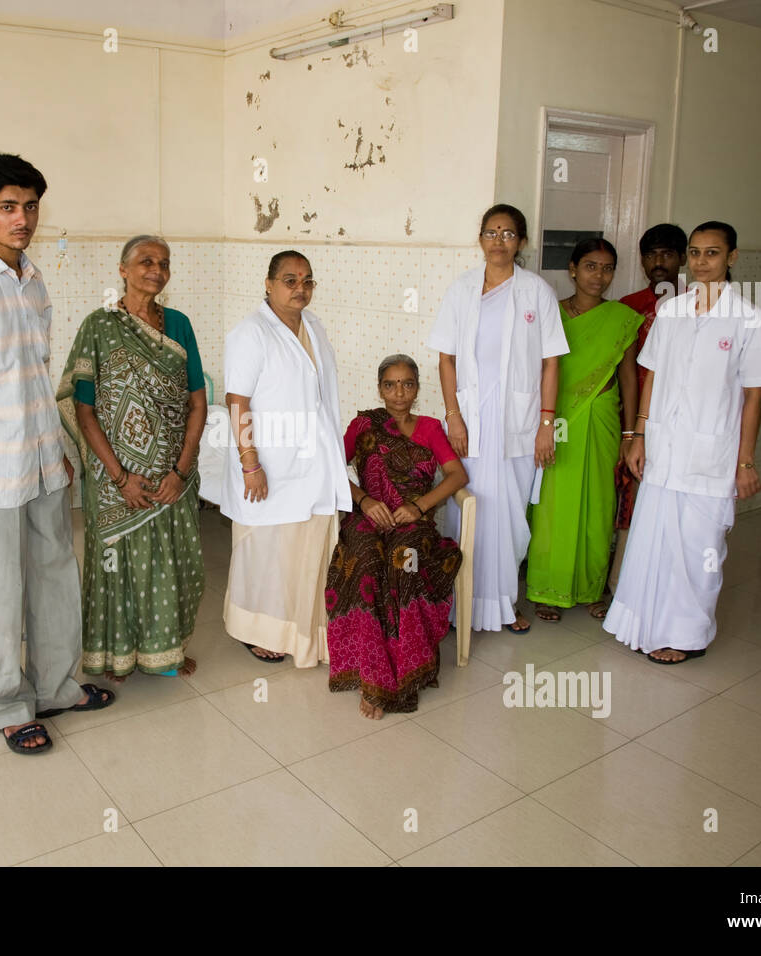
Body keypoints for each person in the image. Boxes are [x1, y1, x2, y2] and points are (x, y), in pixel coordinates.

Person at [0, 152, 114, 755]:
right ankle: (9, 704)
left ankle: (57, 687)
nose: (22, 219)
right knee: (1, 595)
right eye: (8, 207)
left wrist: (58, 450)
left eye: (30, 207)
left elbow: (37, 381)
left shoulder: (34, 283)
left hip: (43, 465)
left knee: (57, 578)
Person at [604, 221, 761, 663]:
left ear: (731, 257)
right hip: (663, 449)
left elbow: (754, 397)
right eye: (696, 252)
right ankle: (643, 624)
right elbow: (652, 377)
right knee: (654, 541)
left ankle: (687, 636)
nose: (702, 262)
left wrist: (745, 461)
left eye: (712, 253)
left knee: (700, 548)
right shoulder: (671, 312)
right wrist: (638, 435)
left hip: (711, 455)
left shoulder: (750, 321)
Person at [57, 236, 207, 681]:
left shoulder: (179, 324)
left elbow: (197, 402)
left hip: (173, 474)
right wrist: (121, 477)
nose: (156, 270)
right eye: (146, 261)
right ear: (123, 270)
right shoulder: (98, 326)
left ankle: (166, 649)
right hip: (116, 477)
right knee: (117, 566)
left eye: (164, 263)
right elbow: (84, 410)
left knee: (172, 562)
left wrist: (180, 471)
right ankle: (117, 653)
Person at [428, 204, 568, 635]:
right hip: (469, 420)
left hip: (517, 423)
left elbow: (551, 362)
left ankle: (503, 603)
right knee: (467, 511)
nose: (499, 241)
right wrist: (453, 417)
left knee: (509, 517)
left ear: (521, 241)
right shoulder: (462, 289)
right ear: (481, 239)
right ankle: (460, 604)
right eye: (492, 232)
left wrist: (546, 424)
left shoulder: (537, 292)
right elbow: (446, 359)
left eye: (508, 234)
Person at [222, 250, 350, 666]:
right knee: (267, 555)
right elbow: (237, 401)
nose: (300, 288)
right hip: (269, 467)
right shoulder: (251, 332)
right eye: (290, 280)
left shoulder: (314, 326)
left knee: (304, 555)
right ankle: (256, 630)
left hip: (312, 463)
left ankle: (303, 633)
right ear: (269, 284)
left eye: (307, 280)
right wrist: (250, 462)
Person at [326, 355, 468, 719]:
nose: (399, 392)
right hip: (368, 517)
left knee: (404, 565)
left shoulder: (431, 428)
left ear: (417, 389)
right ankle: (373, 676)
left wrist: (419, 507)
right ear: (380, 389)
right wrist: (364, 500)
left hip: (413, 523)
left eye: (407, 384)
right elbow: (330, 469)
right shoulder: (364, 425)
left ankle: (404, 672)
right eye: (390, 385)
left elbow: (457, 476)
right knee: (366, 564)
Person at [526, 239, 642, 621]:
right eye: (591, 266)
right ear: (573, 269)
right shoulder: (551, 313)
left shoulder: (621, 318)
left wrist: (630, 435)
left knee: (598, 503)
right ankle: (548, 588)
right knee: (552, 504)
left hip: (602, 417)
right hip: (557, 418)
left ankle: (591, 587)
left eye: (607, 268)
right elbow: (537, 369)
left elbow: (629, 378)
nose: (599, 275)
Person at [610, 223, 688, 594]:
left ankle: (662, 587)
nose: (658, 262)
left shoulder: (697, 305)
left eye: (667, 254)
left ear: (682, 258)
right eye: (651, 255)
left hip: (680, 423)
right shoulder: (629, 307)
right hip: (632, 419)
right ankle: (621, 585)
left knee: (670, 506)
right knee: (629, 500)